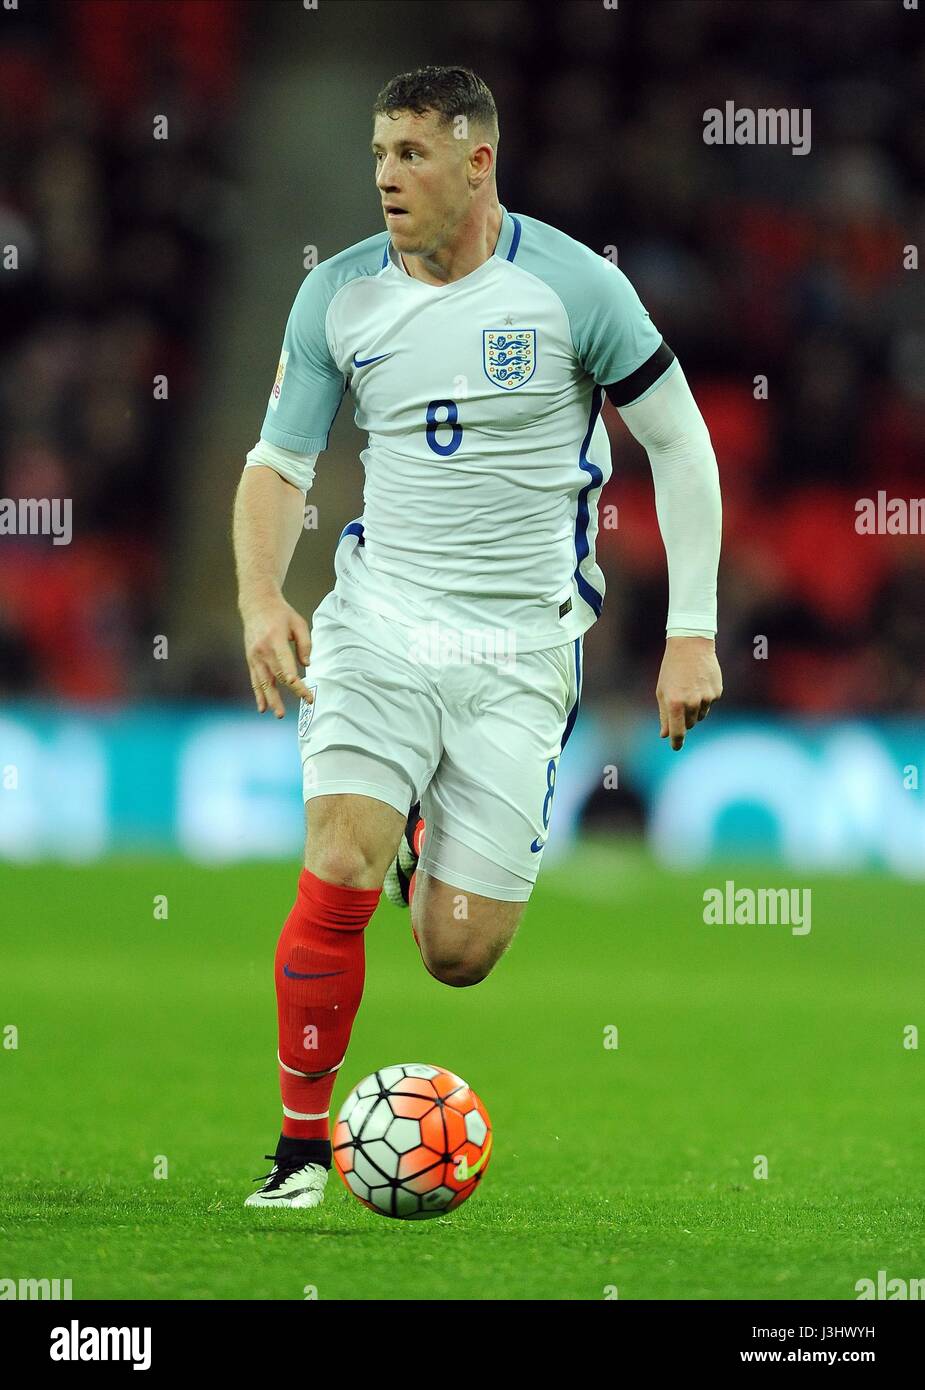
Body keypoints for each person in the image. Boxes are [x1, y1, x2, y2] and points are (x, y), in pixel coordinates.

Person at [232, 65, 722, 1209]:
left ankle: (421, 835)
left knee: (457, 952)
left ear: (476, 160)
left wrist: (691, 630)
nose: (385, 178)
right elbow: (277, 466)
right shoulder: (338, 298)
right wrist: (263, 598)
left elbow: (683, 447)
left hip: (518, 650)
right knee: (338, 855)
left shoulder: (575, 289)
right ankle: (301, 1148)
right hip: (381, 621)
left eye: (409, 154)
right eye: (376, 154)